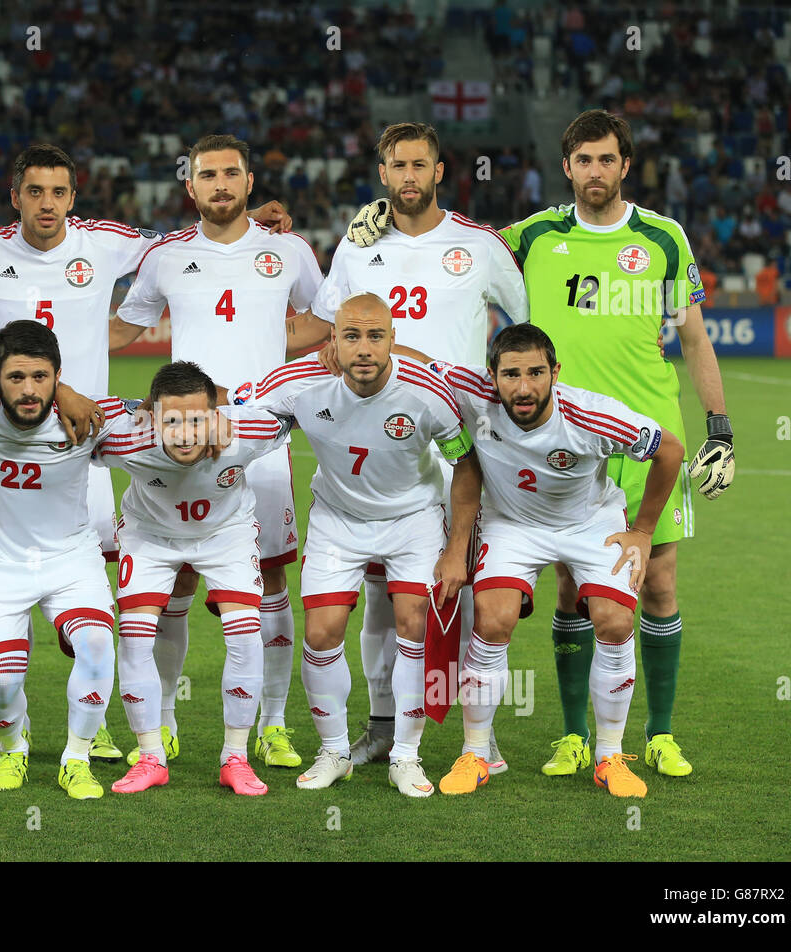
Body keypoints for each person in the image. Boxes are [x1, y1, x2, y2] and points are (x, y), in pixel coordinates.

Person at [0, 142, 292, 762]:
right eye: (34, 192)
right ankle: (18, 725)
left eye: (58, 192)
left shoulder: (108, 243)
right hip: (12, 429)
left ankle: (97, 724)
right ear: (15, 197)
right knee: (18, 596)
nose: (47, 204)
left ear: (73, 196)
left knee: (92, 602)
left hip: (87, 446)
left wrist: (251, 224)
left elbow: (188, 244)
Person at [499, 110, 733, 778]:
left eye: (607, 159)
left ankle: (658, 734)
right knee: (574, 587)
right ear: (566, 166)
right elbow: (458, 253)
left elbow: (693, 338)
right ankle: (576, 737)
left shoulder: (662, 239)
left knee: (657, 583)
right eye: (583, 160)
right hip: (560, 443)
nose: (594, 171)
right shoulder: (535, 235)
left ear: (624, 165)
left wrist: (719, 429)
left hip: (648, 439)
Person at [110, 133, 328, 770]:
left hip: (259, 441)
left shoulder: (286, 249)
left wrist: (274, 375)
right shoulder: (167, 256)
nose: (222, 185)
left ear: (251, 182)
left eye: (232, 173)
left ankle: (274, 724)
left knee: (270, 581)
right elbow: (128, 324)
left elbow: (322, 317)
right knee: (173, 580)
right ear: (191, 187)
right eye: (209, 175)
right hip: (179, 436)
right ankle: (167, 719)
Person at [333, 122, 528, 771]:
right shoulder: (356, 248)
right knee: (386, 595)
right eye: (398, 165)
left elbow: (524, 331)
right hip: (384, 451)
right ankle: (383, 725)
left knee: (474, 589)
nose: (409, 175)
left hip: (467, 445)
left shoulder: (479, 244)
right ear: (383, 173)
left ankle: (481, 735)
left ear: (440, 171)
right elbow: (332, 335)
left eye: (421, 164)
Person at [421, 324, 684, 798]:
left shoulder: (590, 415)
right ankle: (476, 753)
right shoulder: (471, 391)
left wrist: (642, 532)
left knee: (616, 621)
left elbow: (669, 450)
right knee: (493, 618)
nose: (524, 388)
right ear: (492, 376)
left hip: (590, 524)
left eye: (537, 373)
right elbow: (411, 359)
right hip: (512, 524)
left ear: (555, 372)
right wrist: (340, 345)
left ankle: (609, 757)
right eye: (512, 374)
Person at [251, 293, 480, 793]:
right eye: (351, 336)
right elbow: (237, 415)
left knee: (413, 624)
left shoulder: (427, 391)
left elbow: (466, 464)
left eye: (375, 335)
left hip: (413, 517)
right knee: (321, 634)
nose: (364, 348)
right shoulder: (297, 384)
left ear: (394, 339)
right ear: (332, 340)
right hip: (338, 518)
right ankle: (334, 751)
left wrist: (456, 547)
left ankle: (406, 755)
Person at [93, 361, 294, 796]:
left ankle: (235, 758)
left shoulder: (246, 431)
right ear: (151, 417)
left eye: (197, 419)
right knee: (134, 636)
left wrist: (239, 405)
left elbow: (291, 410)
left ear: (216, 414)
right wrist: (128, 407)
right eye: (171, 421)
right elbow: (81, 422)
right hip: (151, 536)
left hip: (226, 534)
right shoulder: (128, 438)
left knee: (244, 636)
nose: (184, 434)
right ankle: (151, 757)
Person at [0, 321, 130, 800]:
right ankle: (12, 745)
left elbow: (170, 410)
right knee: (3, 683)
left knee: (96, 648)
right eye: (15, 378)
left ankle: (77, 758)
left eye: (42, 378)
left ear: (58, 376)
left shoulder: (91, 417)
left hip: (71, 559)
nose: (29, 391)